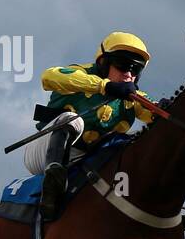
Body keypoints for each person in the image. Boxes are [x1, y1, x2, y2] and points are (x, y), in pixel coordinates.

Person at [26, 31, 155, 221]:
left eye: (136, 69)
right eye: (122, 65)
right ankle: (52, 185)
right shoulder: (81, 73)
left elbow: (158, 116)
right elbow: (48, 77)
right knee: (71, 119)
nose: (128, 74)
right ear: (103, 63)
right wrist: (104, 86)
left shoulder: (133, 97)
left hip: (91, 163)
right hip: (44, 152)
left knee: (136, 142)